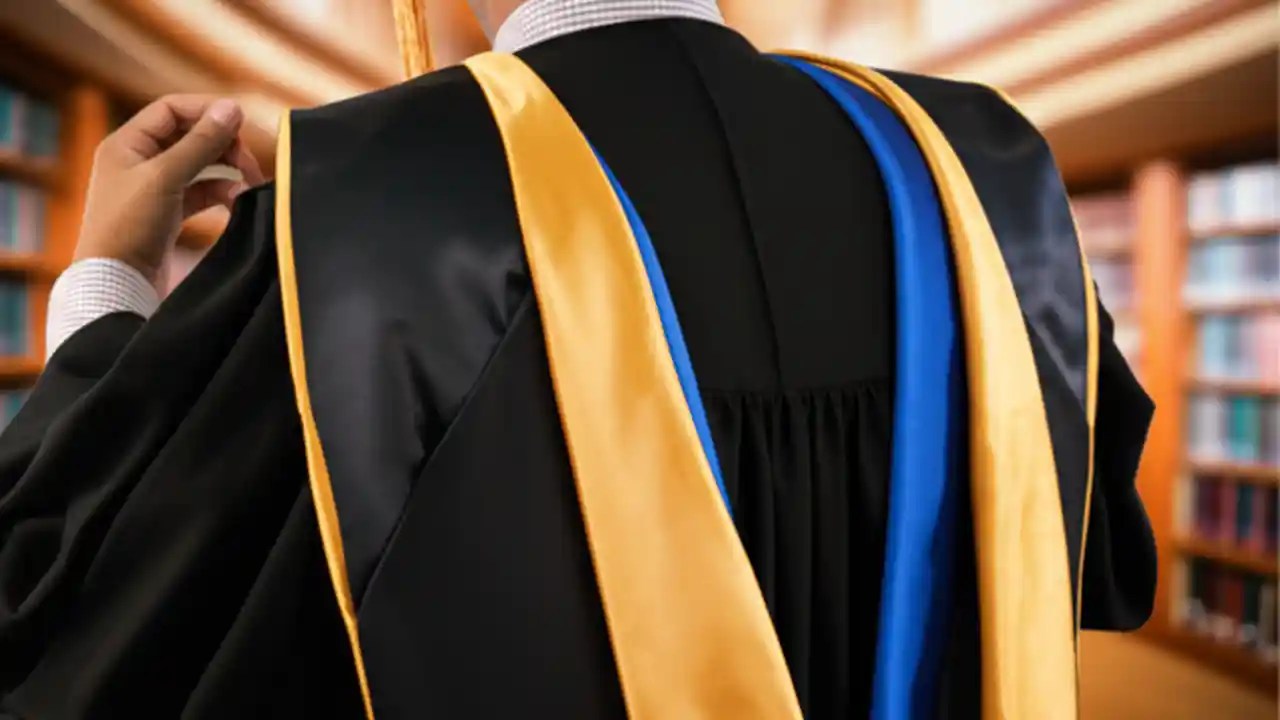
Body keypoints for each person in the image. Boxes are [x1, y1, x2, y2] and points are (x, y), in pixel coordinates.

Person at [0, 1, 1157, 718]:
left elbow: (73, 608)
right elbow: (1098, 562)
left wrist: (112, 283)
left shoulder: (363, 200)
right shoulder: (983, 171)